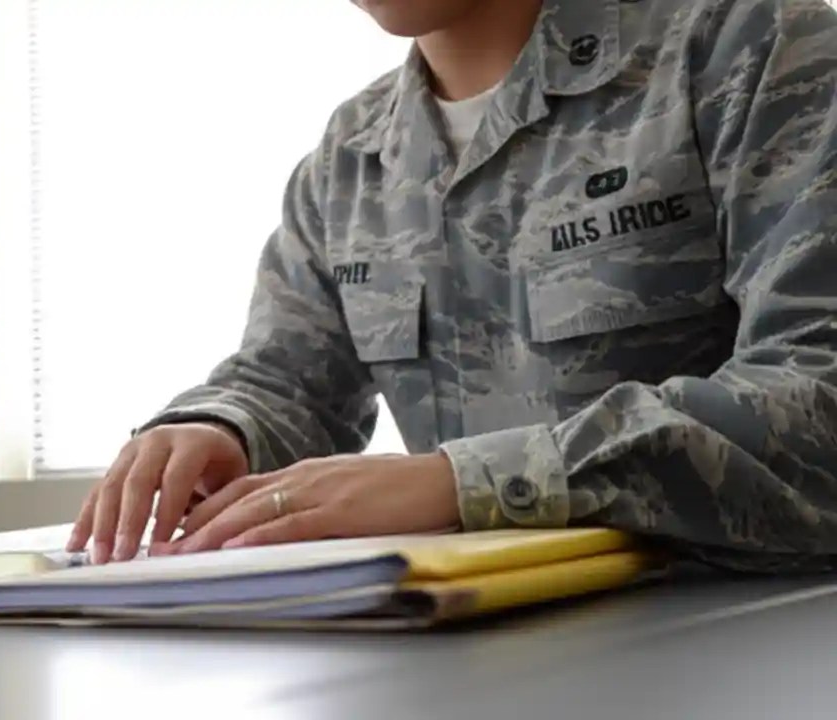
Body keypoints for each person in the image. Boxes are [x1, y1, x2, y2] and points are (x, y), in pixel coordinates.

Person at [65, 0, 837, 570]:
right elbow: (286, 382)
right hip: (476, 645)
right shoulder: (352, 157)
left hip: (753, 636)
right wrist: (219, 431)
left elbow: (819, 389)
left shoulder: (754, 49)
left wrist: (463, 482)